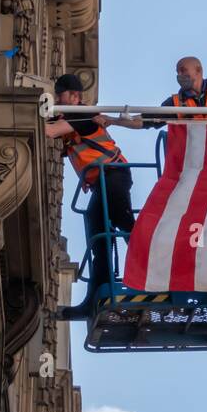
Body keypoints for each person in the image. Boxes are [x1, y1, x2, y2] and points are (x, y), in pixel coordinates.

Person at [45, 73, 143, 319]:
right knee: (99, 239)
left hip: (113, 174)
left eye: (61, 94)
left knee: (122, 222)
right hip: (103, 180)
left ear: (75, 96)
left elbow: (50, 131)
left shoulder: (81, 113)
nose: (57, 99)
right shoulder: (73, 117)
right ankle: (94, 299)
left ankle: (154, 269)